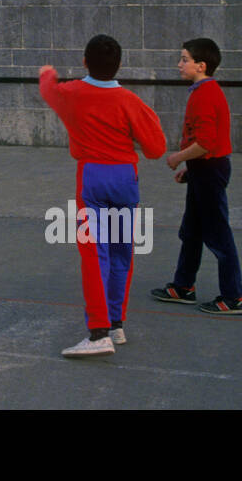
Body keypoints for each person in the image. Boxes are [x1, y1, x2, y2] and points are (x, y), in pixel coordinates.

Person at [39, 35, 167, 358]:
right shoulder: (130, 101)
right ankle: (116, 323)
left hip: (92, 176)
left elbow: (48, 90)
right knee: (123, 252)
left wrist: (47, 73)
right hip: (125, 177)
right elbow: (156, 149)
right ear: (119, 65)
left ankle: (98, 333)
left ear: (84, 62)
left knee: (95, 254)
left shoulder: (71, 93)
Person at [151, 38, 242, 314]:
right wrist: (190, 172)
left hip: (210, 171)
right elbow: (207, 146)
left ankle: (233, 297)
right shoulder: (203, 91)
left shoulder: (205, 94)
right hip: (204, 171)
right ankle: (183, 287)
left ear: (200, 65)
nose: (179, 64)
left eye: (184, 59)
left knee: (218, 236)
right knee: (191, 232)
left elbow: (206, 143)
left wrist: (177, 158)